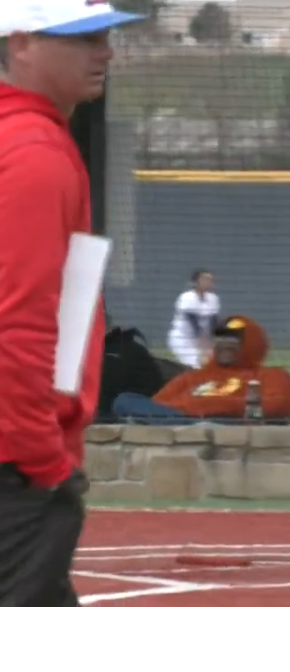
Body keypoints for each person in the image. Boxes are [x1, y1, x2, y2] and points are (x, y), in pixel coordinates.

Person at [0, 0, 144, 608]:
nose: (105, 51)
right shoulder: (33, 152)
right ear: (23, 42)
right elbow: (19, 320)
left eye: (104, 35)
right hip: (14, 460)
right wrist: (43, 459)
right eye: (84, 38)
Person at [111, 316, 290, 422]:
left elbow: (277, 406)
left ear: (253, 344)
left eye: (233, 340)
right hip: (180, 421)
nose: (224, 345)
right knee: (125, 400)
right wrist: (191, 411)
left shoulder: (271, 376)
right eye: (220, 339)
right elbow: (158, 406)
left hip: (225, 426)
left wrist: (210, 406)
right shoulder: (194, 378)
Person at [167, 269, 220, 368]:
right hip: (182, 339)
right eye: (205, 279)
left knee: (212, 363)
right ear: (196, 282)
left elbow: (214, 321)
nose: (209, 281)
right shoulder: (187, 297)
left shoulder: (213, 298)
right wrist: (202, 340)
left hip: (200, 338)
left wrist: (213, 339)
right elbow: (192, 320)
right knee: (194, 365)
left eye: (210, 279)